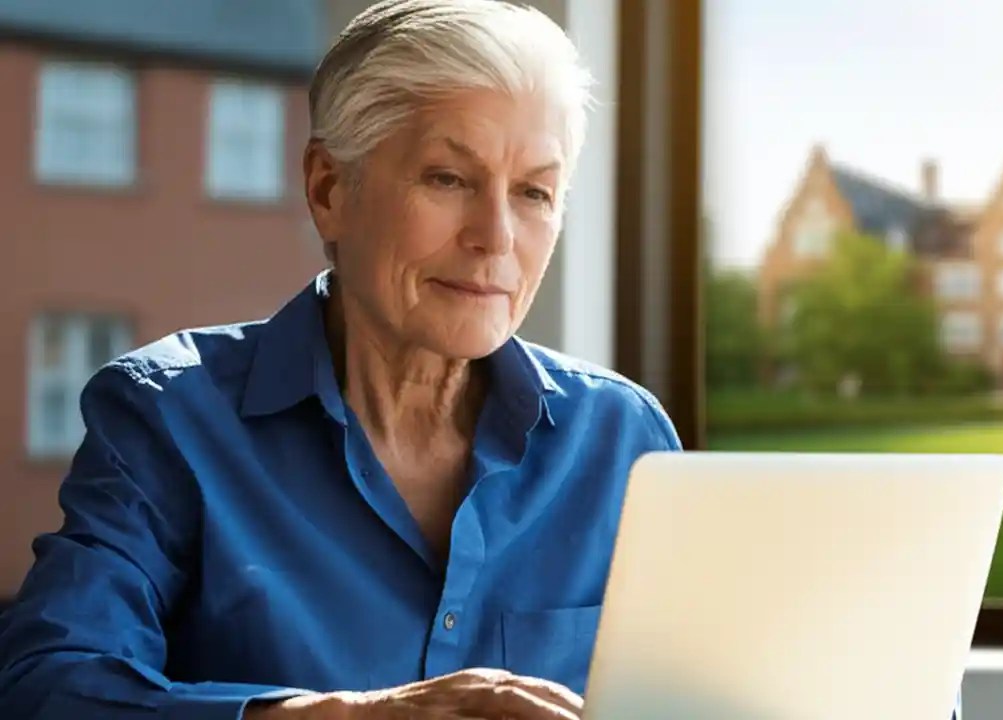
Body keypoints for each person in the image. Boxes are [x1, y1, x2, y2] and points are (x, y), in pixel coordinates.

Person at [0, 1, 680, 718]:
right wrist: (347, 717)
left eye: (534, 192)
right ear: (329, 190)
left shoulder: (622, 438)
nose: (496, 236)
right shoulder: (169, 414)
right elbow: (47, 685)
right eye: (448, 178)